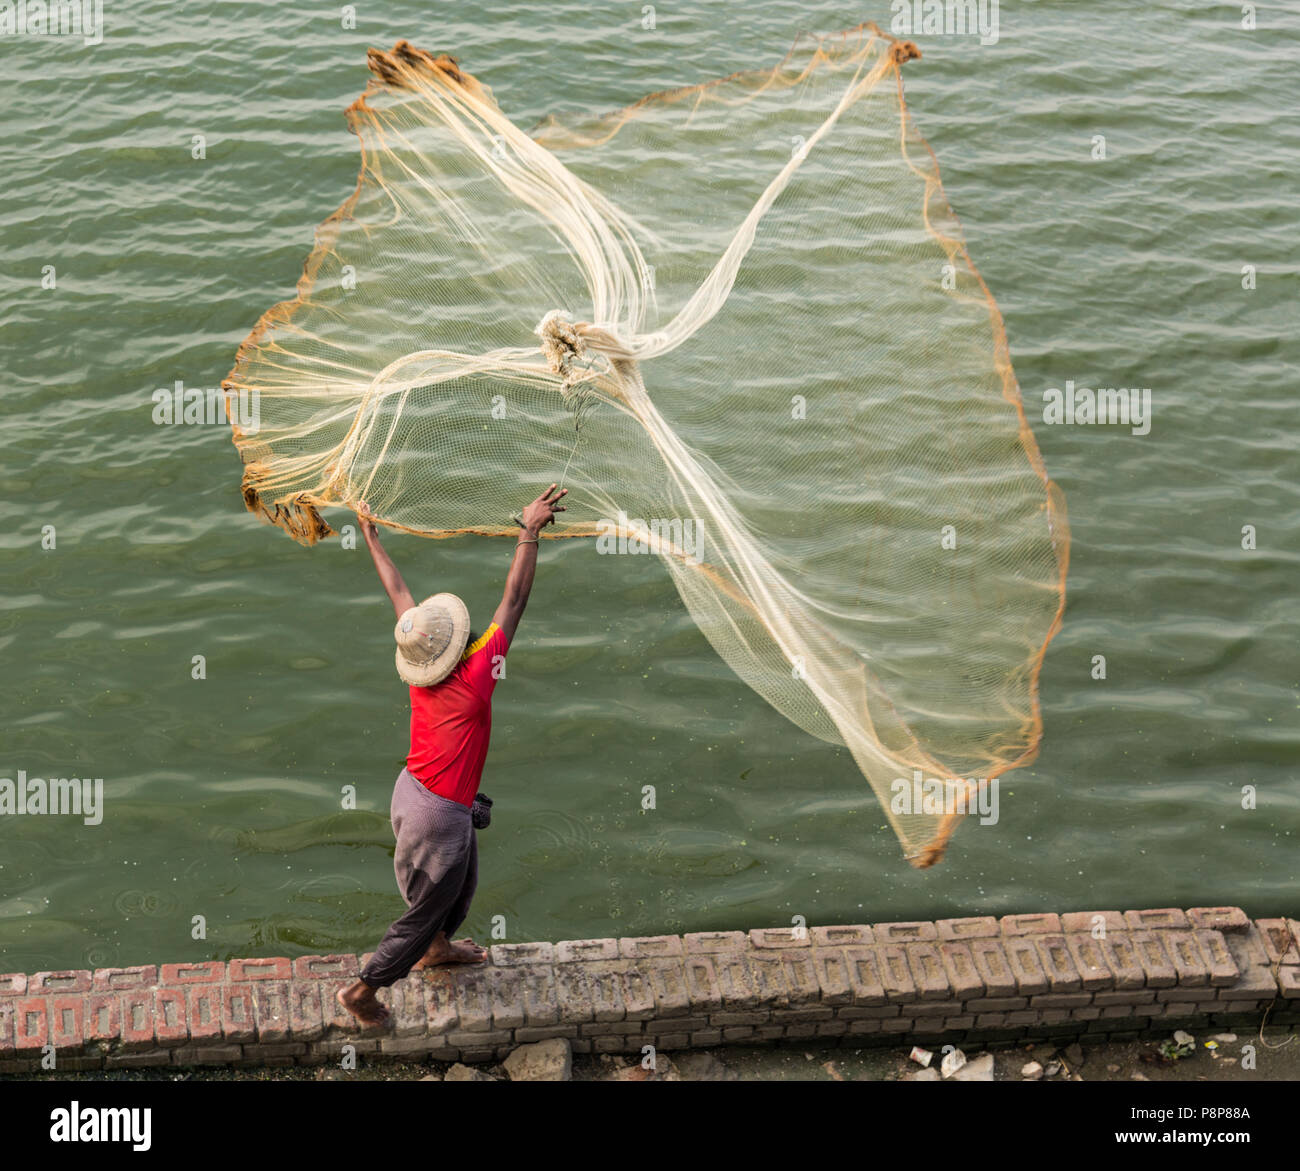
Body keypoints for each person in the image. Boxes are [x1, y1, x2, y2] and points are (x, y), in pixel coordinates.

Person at [336, 484, 567, 1027]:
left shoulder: (422, 673)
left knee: (461, 883)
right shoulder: (474, 678)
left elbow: (399, 598)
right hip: (437, 813)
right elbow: (514, 601)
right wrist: (528, 531)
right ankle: (363, 991)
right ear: (456, 641)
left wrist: (372, 538)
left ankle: (438, 948)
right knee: (424, 913)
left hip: (414, 793)